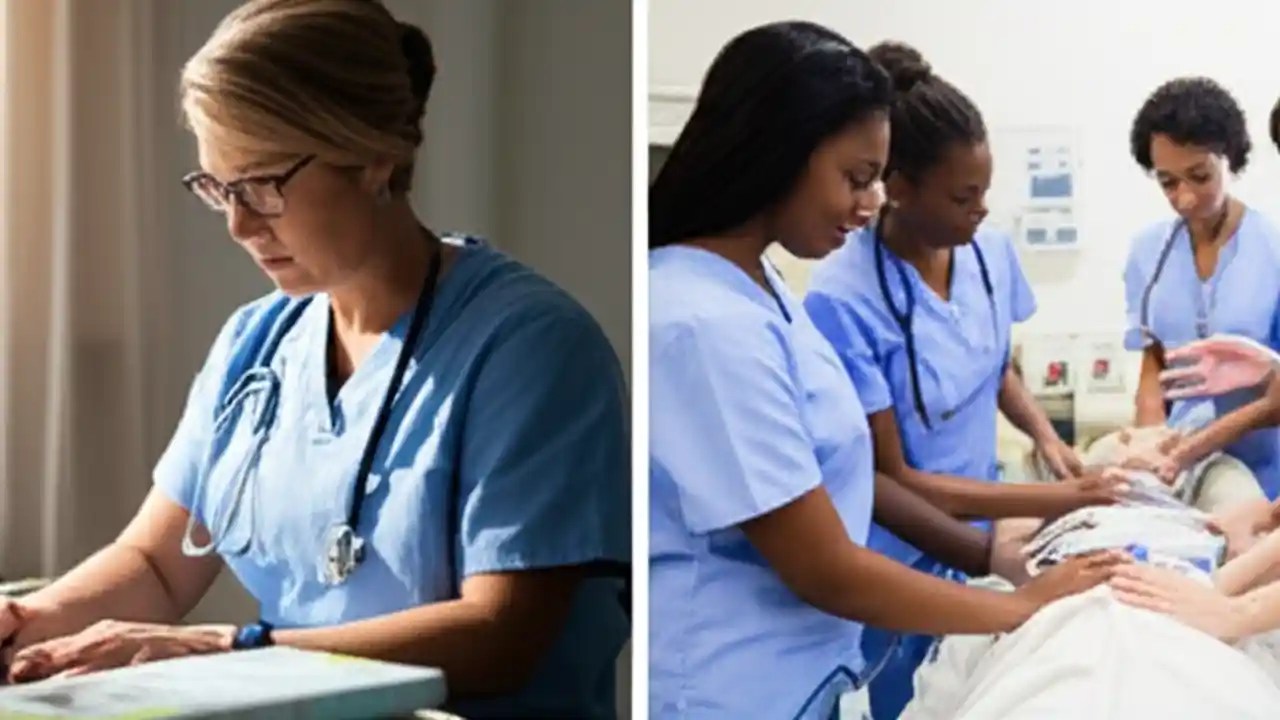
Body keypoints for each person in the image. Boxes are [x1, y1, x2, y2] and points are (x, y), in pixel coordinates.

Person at [0, 2, 630, 718]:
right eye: (219, 189)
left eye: (264, 184)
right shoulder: (256, 344)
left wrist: (235, 650)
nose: (239, 225)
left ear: (373, 158)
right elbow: (155, 564)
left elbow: (501, 633)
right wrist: (34, 625)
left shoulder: (529, 348)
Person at [648, 22, 1124, 720]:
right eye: (857, 178)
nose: (870, 204)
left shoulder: (763, 288)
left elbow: (856, 472)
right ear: (780, 151)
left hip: (804, 675)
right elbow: (822, 564)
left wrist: (1010, 538)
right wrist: (1018, 604)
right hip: (727, 691)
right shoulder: (702, 321)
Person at [802, 42, 1116, 719]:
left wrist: (1046, 440)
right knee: (907, 701)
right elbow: (894, 479)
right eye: (963, 196)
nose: (979, 211)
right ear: (899, 185)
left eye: (985, 193)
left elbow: (993, 364)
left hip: (983, 536)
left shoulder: (988, 253)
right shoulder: (842, 296)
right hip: (899, 554)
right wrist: (1060, 500)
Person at [1122, 77, 1280, 500]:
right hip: (1180, 468)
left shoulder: (1273, 248)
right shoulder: (1148, 252)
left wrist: (1193, 448)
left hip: (1264, 471)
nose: (1184, 198)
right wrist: (1150, 440)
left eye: (1199, 176)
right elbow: (1154, 361)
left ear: (1231, 159)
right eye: (1168, 182)